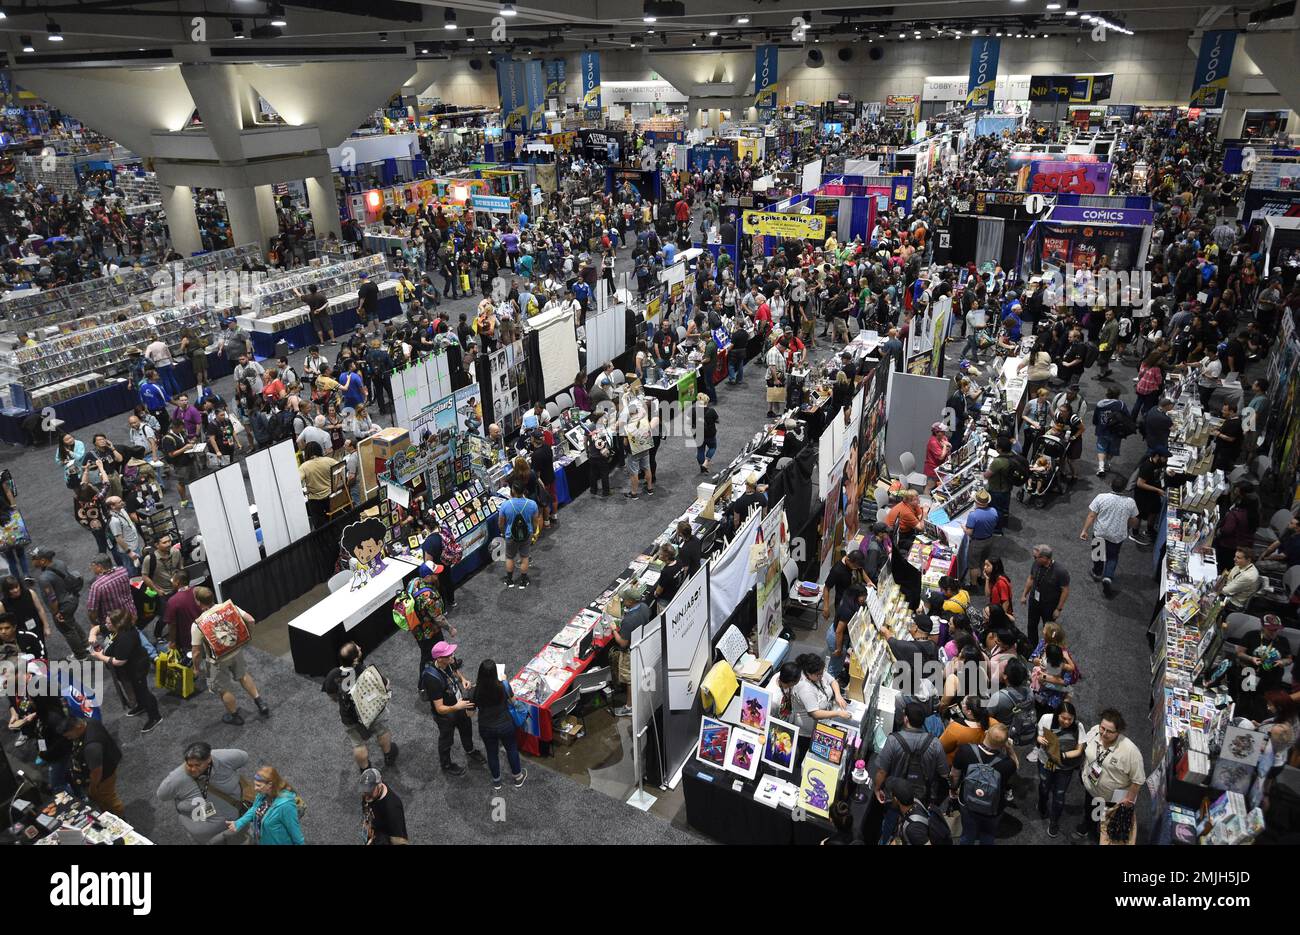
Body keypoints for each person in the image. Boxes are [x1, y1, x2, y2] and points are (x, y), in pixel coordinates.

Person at [191, 587, 270, 725]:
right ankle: (260, 702)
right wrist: (247, 636)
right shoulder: (228, 606)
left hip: (216, 660)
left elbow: (196, 652)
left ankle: (235, 716)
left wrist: (196, 669)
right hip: (235, 650)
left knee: (223, 689)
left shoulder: (197, 624)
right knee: (243, 675)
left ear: (198, 602)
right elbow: (250, 620)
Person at [874, 701, 948, 844]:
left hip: (897, 796)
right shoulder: (935, 743)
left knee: (890, 823)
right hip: (923, 798)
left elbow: (882, 771)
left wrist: (877, 788)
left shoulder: (893, 740)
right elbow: (944, 772)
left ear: (906, 718)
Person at [323, 641, 398, 772]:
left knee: (358, 743)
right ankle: (388, 755)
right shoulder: (367, 671)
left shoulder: (333, 675)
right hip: (373, 712)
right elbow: (385, 685)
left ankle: (365, 769)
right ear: (356, 658)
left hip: (350, 717)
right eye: (358, 649)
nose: (360, 647)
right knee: (382, 731)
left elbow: (332, 695)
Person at [156, 742, 251, 844]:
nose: (193, 769)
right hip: (208, 827)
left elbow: (244, 757)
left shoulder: (223, 758)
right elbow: (162, 795)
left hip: (238, 814)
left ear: (209, 759)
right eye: (189, 765)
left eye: (198, 765)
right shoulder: (175, 779)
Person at [1074, 708, 1144, 844]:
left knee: (1104, 822)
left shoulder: (1130, 751)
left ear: (1118, 732)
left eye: (1109, 731)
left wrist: (1128, 800)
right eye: (1102, 728)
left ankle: (1097, 835)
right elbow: (1087, 750)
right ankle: (1088, 825)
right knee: (1089, 808)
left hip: (1110, 798)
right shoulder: (1095, 731)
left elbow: (1138, 779)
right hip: (1091, 787)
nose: (1104, 733)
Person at [419, 640, 486, 776]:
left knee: (466, 729)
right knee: (446, 740)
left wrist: (463, 679)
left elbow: (455, 672)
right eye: (448, 655)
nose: (452, 656)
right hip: (446, 715)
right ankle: (446, 764)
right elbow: (439, 708)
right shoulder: (432, 678)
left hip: (459, 704)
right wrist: (456, 706)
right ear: (439, 659)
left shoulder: (448, 662)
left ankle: (470, 750)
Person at [90, 609, 163, 732]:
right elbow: (97, 628)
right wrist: (92, 635)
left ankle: (155, 716)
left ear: (117, 624)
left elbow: (120, 661)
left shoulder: (126, 637)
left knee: (143, 692)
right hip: (127, 670)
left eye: (108, 623)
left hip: (136, 669)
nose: (106, 625)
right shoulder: (116, 628)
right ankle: (141, 705)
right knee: (135, 689)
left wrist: (99, 656)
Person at [949, 722, 1017, 845]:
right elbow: (1015, 767)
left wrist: (953, 789)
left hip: (967, 801)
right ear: (1004, 743)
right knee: (988, 835)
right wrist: (1010, 749)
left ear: (986, 733)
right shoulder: (1008, 764)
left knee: (968, 832)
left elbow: (954, 774)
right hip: (993, 807)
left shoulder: (965, 750)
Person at [469, 659, 529, 791]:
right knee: (511, 749)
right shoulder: (504, 685)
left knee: (491, 753)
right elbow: (514, 702)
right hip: (505, 725)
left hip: (486, 727)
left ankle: (497, 782)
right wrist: (505, 681)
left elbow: (470, 714)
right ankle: (518, 778)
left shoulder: (474, 691)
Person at [1079, 476, 1140, 596]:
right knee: (1112, 557)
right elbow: (1134, 521)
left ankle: (1097, 573)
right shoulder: (1130, 502)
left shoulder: (1101, 497)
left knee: (1098, 553)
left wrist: (1084, 530)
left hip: (1100, 532)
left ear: (1111, 484)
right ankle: (1108, 576)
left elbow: (1091, 515)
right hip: (1117, 536)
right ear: (1124, 488)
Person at [1036, 701, 1085, 838]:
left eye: (1070, 719)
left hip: (1064, 767)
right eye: (1063, 718)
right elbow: (1039, 734)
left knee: (1059, 794)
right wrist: (1040, 739)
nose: (1067, 721)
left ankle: (1054, 821)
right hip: (1046, 761)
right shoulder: (1046, 718)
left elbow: (1079, 750)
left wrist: (1061, 755)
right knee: (1044, 786)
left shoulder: (1078, 726)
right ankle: (1042, 804)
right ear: (1057, 715)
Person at [57, 716, 124, 815]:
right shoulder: (89, 721)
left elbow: (97, 772)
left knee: (109, 798)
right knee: (102, 798)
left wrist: (93, 787)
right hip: (104, 764)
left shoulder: (91, 747)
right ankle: (108, 813)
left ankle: (121, 818)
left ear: (78, 726)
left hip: (103, 777)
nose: (69, 738)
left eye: (69, 736)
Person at [30, 547, 89, 660]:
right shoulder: (59, 562)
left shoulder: (44, 578)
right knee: (71, 623)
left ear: (42, 561)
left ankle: (81, 655)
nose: (32, 561)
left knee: (67, 630)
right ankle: (86, 645)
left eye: (34, 558)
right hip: (72, 597)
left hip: (63, 605)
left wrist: (56, 612)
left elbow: (52, 599)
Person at [227, 765, 305, 845]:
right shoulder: (263, 794)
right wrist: (239, 823)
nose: (255, 788)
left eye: (258, 785)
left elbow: (296, 834)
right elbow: (254, 809)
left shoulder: (286, 806)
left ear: (270, 785)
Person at [1021, 544, 1070, 645]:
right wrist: (1024, 594)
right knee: (1031, 625)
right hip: (1034, 601)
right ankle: (1032, 646)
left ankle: (1048, 649)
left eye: (1036, 557)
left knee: (1048, 630)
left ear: (1045, 558)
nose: (1034, 559)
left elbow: (1065, 590)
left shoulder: (1060, 571)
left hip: (1049, 606)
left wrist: (1058, 609)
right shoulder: (1036, 564)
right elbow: (1031, 578)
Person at [499, 482, 540, 589]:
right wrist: (534, 532)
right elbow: (535, 521)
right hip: (527, 534)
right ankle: (523, 581)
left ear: (513, 491)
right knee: (524, 557)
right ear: (524, 491)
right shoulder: (532, 504)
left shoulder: (505, 505)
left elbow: (501, 523)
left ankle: (509, 580)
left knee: (509, 557)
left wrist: (503, 533)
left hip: (510, 535)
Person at [360, 767, 409, 844]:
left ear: (379, 785)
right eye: (364, 790)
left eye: (370, 791)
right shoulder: (369, 794)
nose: (366, 795)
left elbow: (399, 841)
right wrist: (367, 824)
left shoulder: (392, 808)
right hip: (375, 831)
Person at [963, 490, 999, 588]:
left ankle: (973, 585)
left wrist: (963, 527)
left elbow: (969, 532)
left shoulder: (973, 515)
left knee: (973, 565)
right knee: (984, 560)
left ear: (976, 502)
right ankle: (983, 578)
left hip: (977, 543)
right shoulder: (994, 511)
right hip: (989, 540)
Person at [1092, 385, 1130, 477]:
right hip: (1115, 432)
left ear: (1107, 394)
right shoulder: (1121, 405)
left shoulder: (1100, 404)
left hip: (1102, 430)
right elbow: (1127, 417)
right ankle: (1107, 464)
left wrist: (1096, 423)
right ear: (1118, 395)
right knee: (1112, 449)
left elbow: (1096, 417)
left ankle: (1101, 467)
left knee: (1101, 448)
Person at [298, 441, 336, 530]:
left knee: (320, 528)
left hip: (315, 500)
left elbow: (297, 481)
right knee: (334, 521)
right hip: (331, 497)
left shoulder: (304, 467)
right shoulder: (328, 460)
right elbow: (341, 468)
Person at [1216, 547, 1261, 612]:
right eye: (1235, 556)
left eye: (1238, 558)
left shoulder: (1248, 576)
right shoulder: (1241, 565)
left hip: (1234, 603)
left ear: (1248, 560)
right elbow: (1229, 577)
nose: (1234, 559)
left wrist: (1216, 588)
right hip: (1228, 591)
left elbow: (1226, 591)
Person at [922, 422, 951, 494]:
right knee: (929, 487)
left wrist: (947, 447)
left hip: (942, 468)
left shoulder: (943, 437)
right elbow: (941, 457)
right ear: (937, 432)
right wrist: (945, 446)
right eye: (942, 431)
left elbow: (949, 447)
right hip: (932, 469)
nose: (944, 433)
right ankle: (925, 501)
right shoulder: (933, 442)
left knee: (942, 486)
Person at [695, 393, 719, 473]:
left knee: (700, 450)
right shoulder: (711, 411)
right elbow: (717, 420)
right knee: (713, 447)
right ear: (707, 402)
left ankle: (701, 465)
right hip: (710, 434)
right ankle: (705, 464)